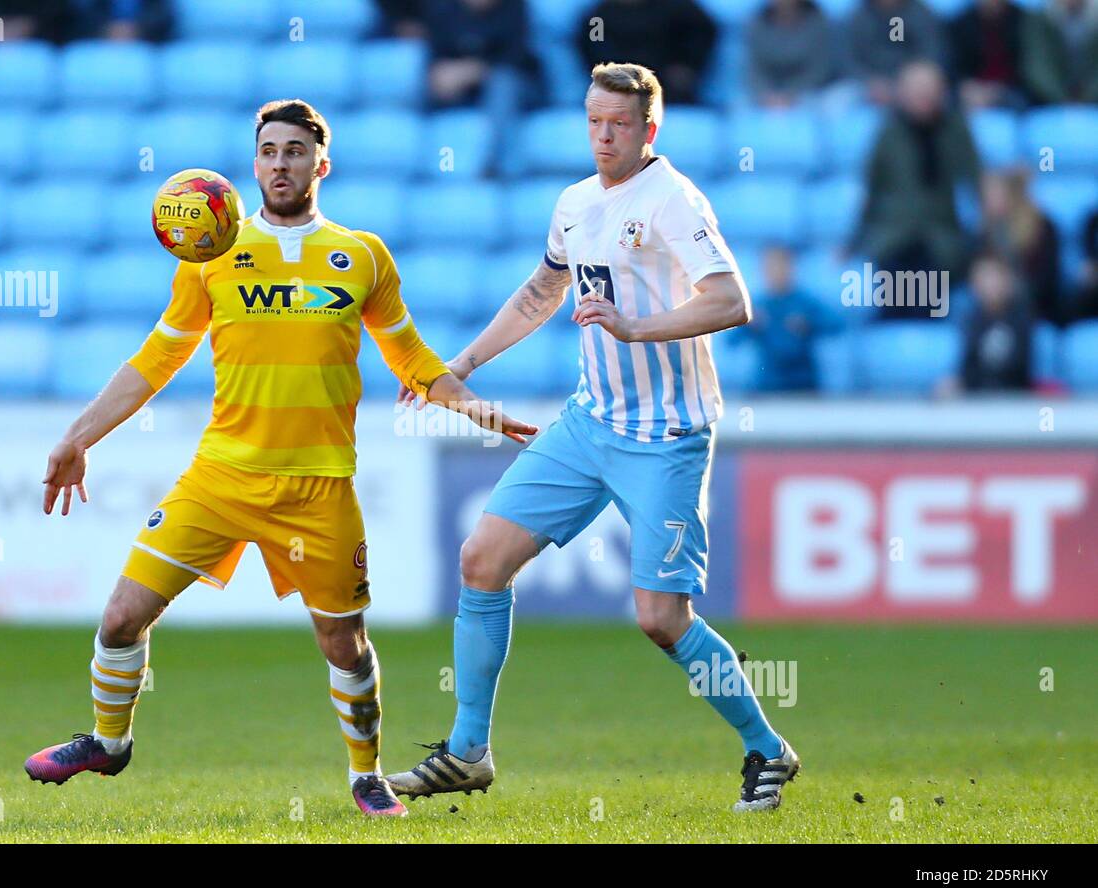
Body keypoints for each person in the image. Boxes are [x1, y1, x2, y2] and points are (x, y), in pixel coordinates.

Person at [23, 99, 536, 818]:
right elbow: (157, 358)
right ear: (253, 162)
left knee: (345, 643)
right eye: (268, 151)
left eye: (295, 151)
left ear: (320, 164)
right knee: (119, 617)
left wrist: (474, 406)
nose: (280, 163)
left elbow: (412, 358)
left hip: (319, 487)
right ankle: (109, 743)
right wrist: (78, 436)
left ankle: (367, 774)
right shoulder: (212, 255)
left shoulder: (362, 256)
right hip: (222, 477)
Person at [388, 63, 799, 813]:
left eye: (618, 124)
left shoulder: (673, 199)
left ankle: (768, 749)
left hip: (667, 434)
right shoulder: (575, 204)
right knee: (481, 559)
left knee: (659, 618)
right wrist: (461, 365)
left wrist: (637, 326)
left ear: (650, 129)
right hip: (589, 422)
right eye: (593, 121)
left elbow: (732, 299)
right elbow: (543, 290)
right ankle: (469, 749)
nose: (603, 136)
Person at [853, 61, 982, 318]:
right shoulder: (888, 134)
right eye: (917, 93)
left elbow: (975, 179)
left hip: (940, 236)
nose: (924, 100)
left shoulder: (955, 130)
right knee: (893, 293)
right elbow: (871, 190)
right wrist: (853, 240)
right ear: (902, 94)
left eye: (930, 93)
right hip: (893, 236)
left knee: (930, 294)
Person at [575, 0, 717, 106]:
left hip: (668, 87)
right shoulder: (600, 16)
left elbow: (701, 34)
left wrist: (687, 65)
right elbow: (593, 44)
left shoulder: (678, 8)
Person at [748, 246, 843, 391]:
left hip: (804, 382)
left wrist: (809, 324)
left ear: (791, 268)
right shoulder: (757, 306)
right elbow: (730, 341)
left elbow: (837, 325)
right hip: (767, 384)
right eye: (770, 267)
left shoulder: (805, 302)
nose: (776, 272)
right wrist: (750, 325)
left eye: (781, 266)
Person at [977, 170, 1061, 326]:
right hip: (992, 305)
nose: (987, 200)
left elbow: (1046, 281)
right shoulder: (987, 231)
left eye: (994, 193)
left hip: (1038, 307)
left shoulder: (1044, 228)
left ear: (1012, 194)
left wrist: (1009, 288)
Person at [954, 253, 1034, 391]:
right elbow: (968, 368)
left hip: (1015, 399)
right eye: (982, 279)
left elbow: (1021, 371)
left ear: (1007, 281)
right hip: (976, 399)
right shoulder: (972, 320)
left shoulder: (1022, 320)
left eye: (993, 277)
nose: (989, 285)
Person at [844, 0, 946, 107]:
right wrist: (868, 81)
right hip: (868, 86)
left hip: (912, 85)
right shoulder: (857, 15)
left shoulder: (920, 12)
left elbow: (932, 52)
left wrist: (907, 82)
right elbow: (848, 59)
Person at [744, 0, 837, 109]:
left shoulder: (818, 21)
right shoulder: (756, 23)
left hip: (812, 93)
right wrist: (766, 94)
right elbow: (753, 68)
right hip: (767, 96)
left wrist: (792, 93)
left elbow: (819, 68)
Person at [949, 0, 1029, 110]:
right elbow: (954, 68)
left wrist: (998, 92)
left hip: (1014, 92)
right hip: (974, 94)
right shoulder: (960, 25)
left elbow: (1031, 69)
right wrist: (968, 87)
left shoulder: (1025, 22)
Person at [1021, 0, 1098, 104]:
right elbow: (1038, 65)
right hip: (1049, 101)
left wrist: (1088, 98)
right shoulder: (1041, 19)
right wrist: (1061, 98)